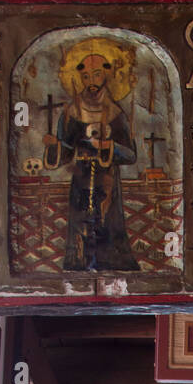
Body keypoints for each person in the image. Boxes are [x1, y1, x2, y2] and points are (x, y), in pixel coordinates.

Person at [44, 46, 140, 273]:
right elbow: (64, 151)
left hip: (106, 185)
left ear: (107, 75)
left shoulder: (116, 113)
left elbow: (131, 154)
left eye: (96, 75)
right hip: (80, 180)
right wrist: (54, 146)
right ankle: (78, 269)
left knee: (108, 224)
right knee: (79, 229)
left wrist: (107, 146)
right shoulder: (70, 112)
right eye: (86, 76)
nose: (91, 81)